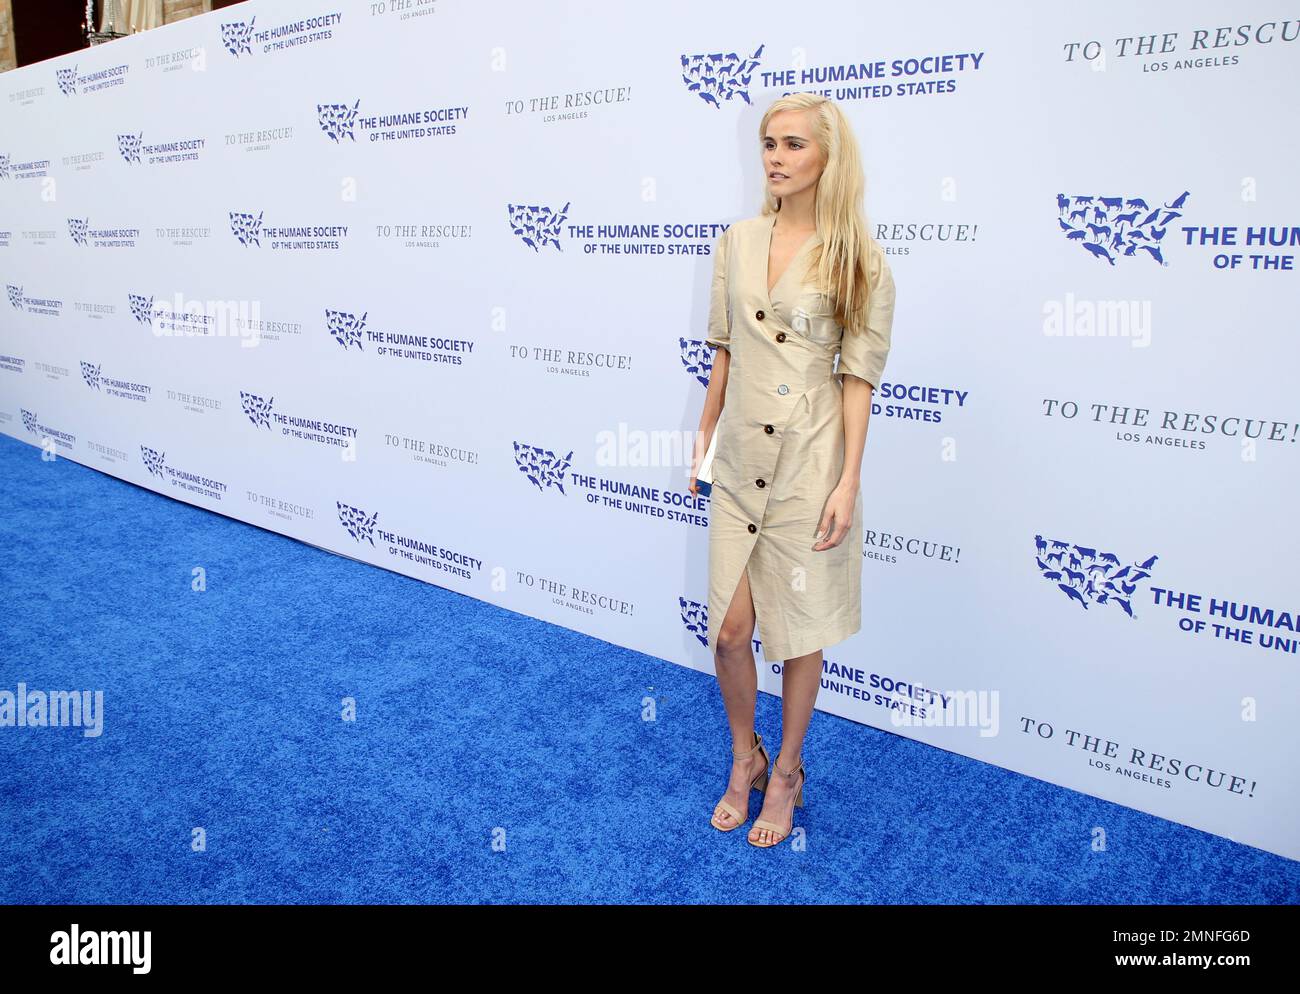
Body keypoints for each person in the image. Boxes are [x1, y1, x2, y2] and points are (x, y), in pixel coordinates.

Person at [689, 93, 897, 848]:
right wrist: (705, 439)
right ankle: (745, 755)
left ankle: (788, 773)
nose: (775, 158)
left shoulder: (860, 258)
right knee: (729, 631)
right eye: (768, 144)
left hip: (811, 458)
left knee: (798, 632)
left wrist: (848, 482)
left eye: (793, 146)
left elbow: (858, 378)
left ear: (828, 159)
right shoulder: (737, 241)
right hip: (742, 455)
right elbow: (723, 349)